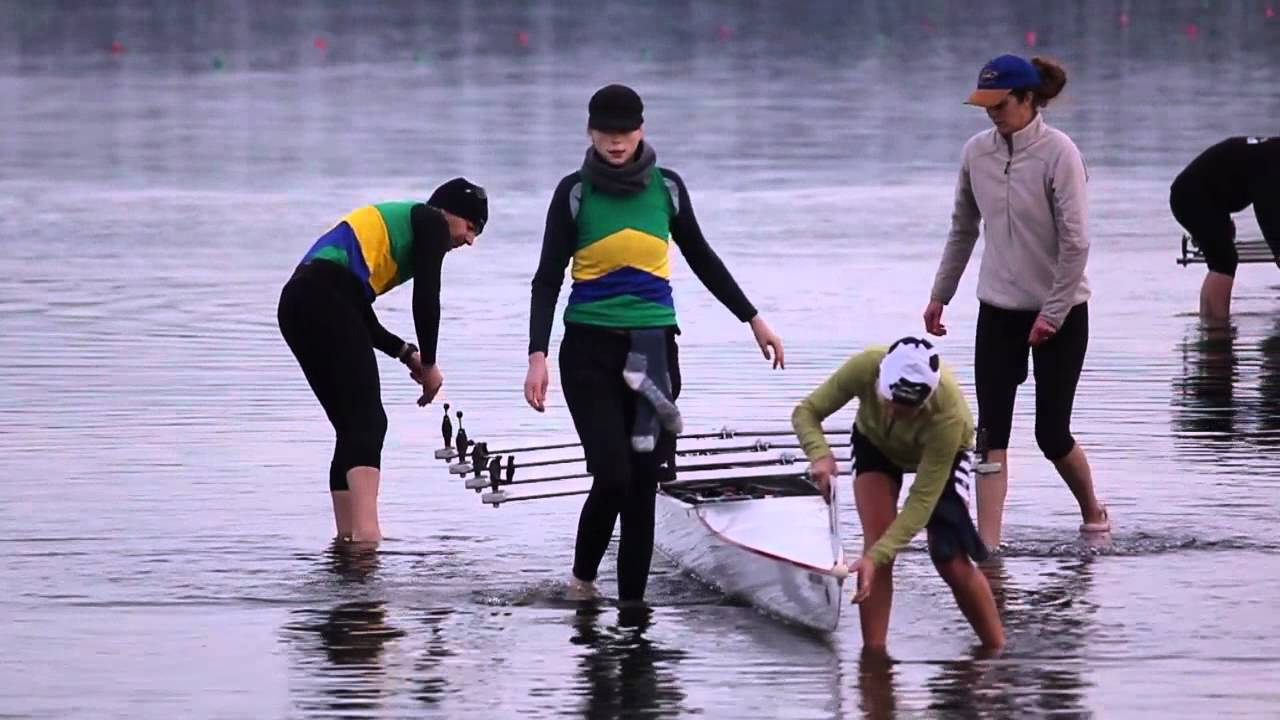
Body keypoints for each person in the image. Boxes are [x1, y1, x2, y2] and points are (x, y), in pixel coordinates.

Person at [523, 83, 785, 603]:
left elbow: (703, 259)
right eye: (606, 134)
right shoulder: (573, 193)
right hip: (589, 352)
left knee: (643, 485)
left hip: (654, 351)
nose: (616, 143)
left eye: (624, 133)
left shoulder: (668, 189)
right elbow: (547, 277)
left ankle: (633, 611)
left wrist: (753, 318)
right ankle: (582, 584)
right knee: (614, 475)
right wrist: (537, 356)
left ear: (641, 131)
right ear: (591, 133)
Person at [923, 54, 1109, 551]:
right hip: (998, 312)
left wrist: (1052, 314)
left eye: (1000, 104)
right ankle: (989, 549)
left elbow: (1077, 244)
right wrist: (941, 294)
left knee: (1051, 433)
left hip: (1062, 312)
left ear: (1029, 100)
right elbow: (963, 228)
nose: (991, 114)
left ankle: (1093, 511)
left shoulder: (1059, 154)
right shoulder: (976, 153)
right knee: (990, 431)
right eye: (984, 105)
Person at [278, 178, 488, 545]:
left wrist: (406, 353)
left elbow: (356, 310)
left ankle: (347, 542)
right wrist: (432, 363)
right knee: (369, 422)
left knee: (352, 427)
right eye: (470, 227)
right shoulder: (431, 220)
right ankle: (368, 538)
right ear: (447, 212)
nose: (469, 240)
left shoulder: (398, 234)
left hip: (297, 303)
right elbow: (427, 296)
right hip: (324, 298)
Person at [791, 337, 1004, 651]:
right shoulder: (866, 366)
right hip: (875, 443)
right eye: (890, 400)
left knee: (948, 556)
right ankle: (874, 660)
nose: (895, 412)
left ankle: (996, 652)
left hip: (947, 450)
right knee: (876, 544)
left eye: (908, 408)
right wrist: (819, 454)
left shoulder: (948, 414)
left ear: (926, 398)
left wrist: (875, 559)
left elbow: (920, 502)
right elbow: (806, 412)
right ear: (881, 379)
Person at [1170, 136, 1280, 322]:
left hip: (1207, 200)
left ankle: (1211, 325)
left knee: (1222, 256)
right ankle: (1216, 328)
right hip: (1190, 198)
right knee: (1224, 260)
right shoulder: (1273, 162)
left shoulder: (1270, 153)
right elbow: (1267, 209)